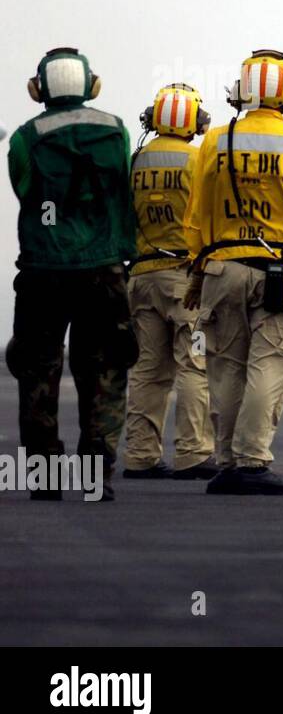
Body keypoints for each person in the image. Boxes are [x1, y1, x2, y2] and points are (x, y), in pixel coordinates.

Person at [183, 50, 283, 496]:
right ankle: (251, 463)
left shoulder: (213, 142)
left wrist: (197, 273)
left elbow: (196, 218)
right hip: (281, 274)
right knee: (268, 365)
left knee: (225, 367)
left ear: (241, 92)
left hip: (221, 269)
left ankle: (227, 460)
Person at [6, 48, 137, 500]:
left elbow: (24, 190)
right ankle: (95, 473)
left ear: (37, 89)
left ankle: (42, 474)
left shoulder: (25, 137)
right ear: (91, 85)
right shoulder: (115, 130)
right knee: (104, 368)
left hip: (44, 271)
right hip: (103, 270)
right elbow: (123, 186)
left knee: (37, 371)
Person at [122, 84, 218, 480]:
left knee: (147, 370)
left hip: (143, 276)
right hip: (186, 280)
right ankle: (194, 453)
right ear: (195, 121)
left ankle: (140, 456)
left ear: (152, 118)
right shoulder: (200, 160)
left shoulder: (136, 161)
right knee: (194, 366)